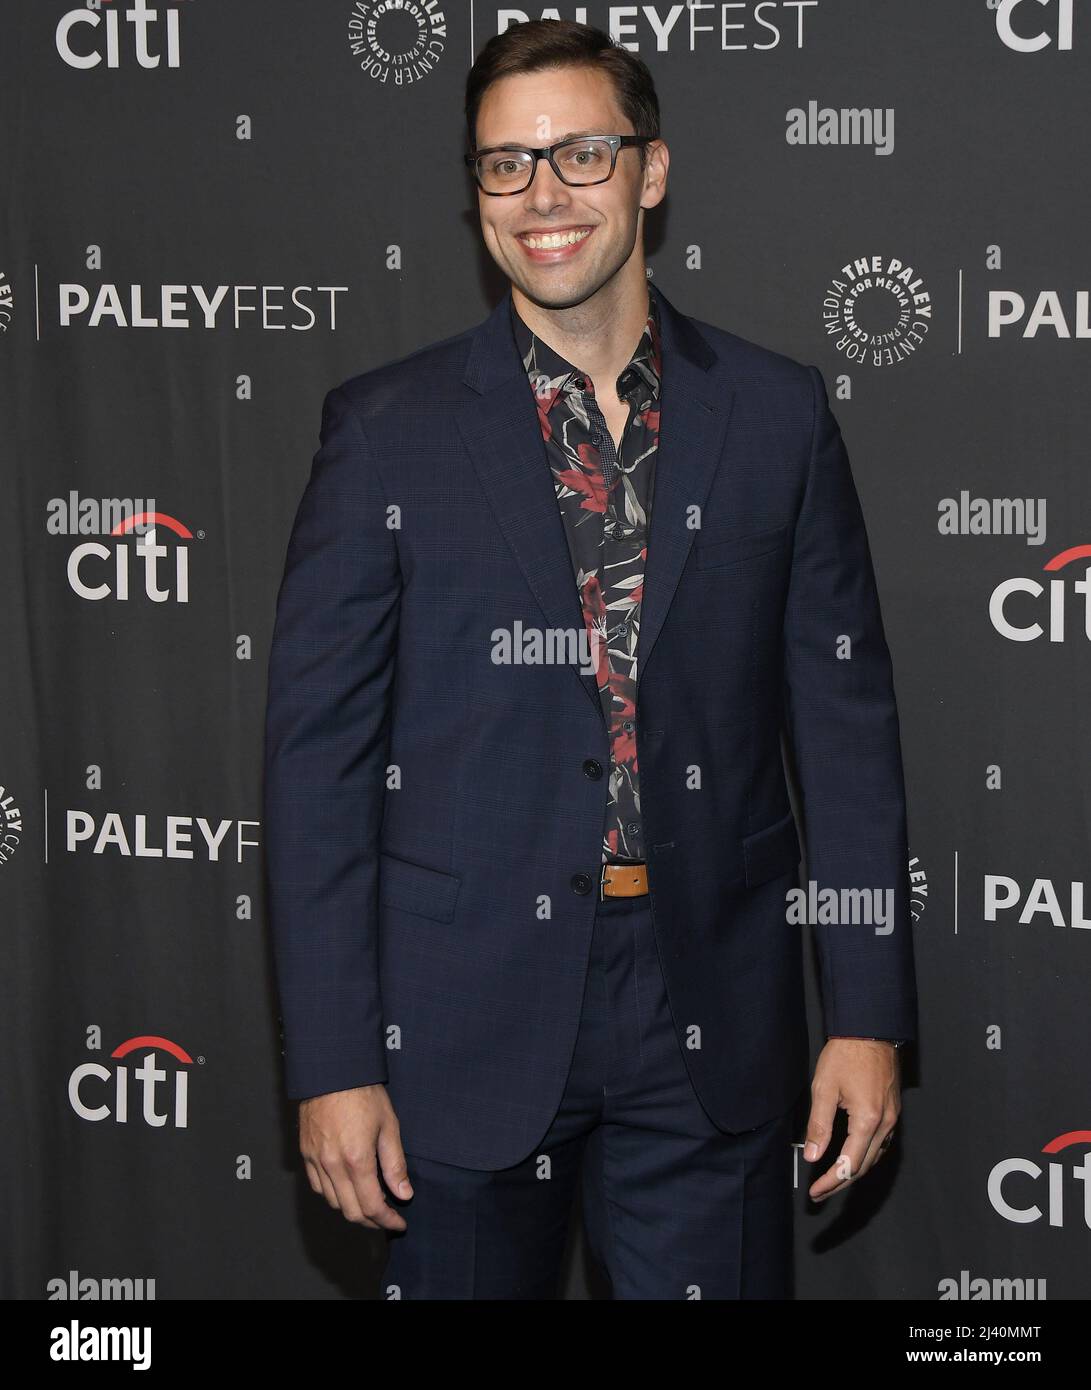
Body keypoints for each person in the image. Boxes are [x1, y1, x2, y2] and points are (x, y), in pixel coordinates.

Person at [262, 18, 918, 1300]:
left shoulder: (776, 417)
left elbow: (841, 732)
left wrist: (867, 1010)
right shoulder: (384, 432)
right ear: (475, 195)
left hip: (710, 1016)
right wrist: (334, 1061)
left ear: (650, 171)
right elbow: (314, 771)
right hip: (452, 1021)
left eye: (579, 154)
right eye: (505, 165)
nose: (542, 195)